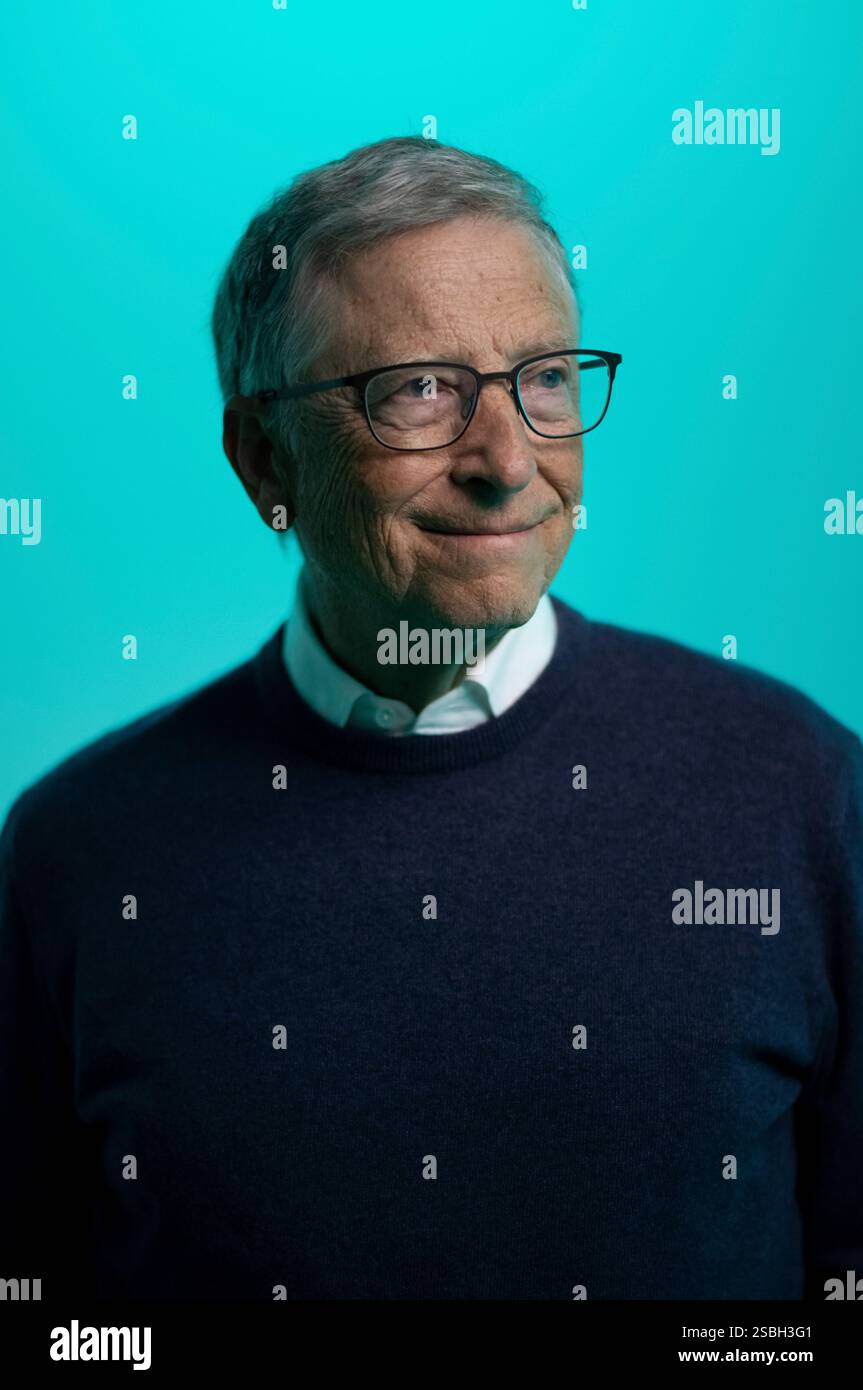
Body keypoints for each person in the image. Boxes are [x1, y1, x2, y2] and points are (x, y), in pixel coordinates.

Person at [1, 136, 860, 1301]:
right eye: (417, 389)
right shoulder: (74, 853)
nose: (507, 461)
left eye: (545, 376)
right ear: (265, 456)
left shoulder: (803, 790)